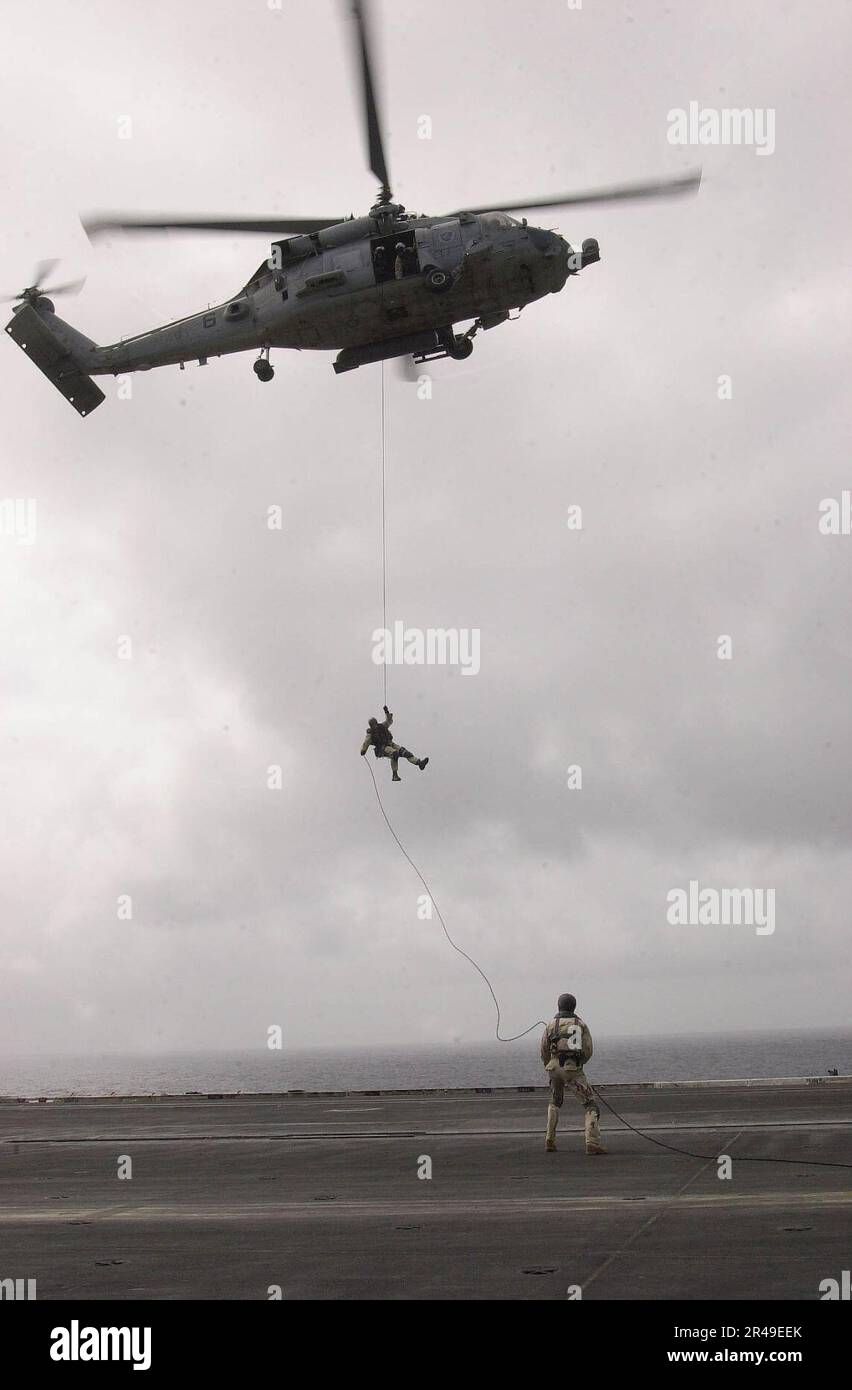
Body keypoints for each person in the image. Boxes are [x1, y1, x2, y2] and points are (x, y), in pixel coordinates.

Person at [540, 993, 606, 1155]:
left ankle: (550, 1140)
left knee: (555, 1101)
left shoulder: (550, 1025)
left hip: (553, 1068)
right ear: (574, 1007)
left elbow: (543, 1050)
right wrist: (579, 1064)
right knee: (591, 1105)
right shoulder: (580, 1024)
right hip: (572, 1069)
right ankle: (592, 1142)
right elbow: (588, 1050)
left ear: (559, 1006)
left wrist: (550, 1065)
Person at [360, 705, 429, 782]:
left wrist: (386, 712)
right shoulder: (370, 734)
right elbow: (366, 742)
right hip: (382, 748)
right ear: (371, 726)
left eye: (375, 724)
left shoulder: (382, 726)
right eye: (373, 725)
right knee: (394, 754)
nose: (375, 726)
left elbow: (389, 721)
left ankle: (419, 763)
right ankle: (395, 775)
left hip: (391, 744)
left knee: (406, 753)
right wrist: (363, 750)